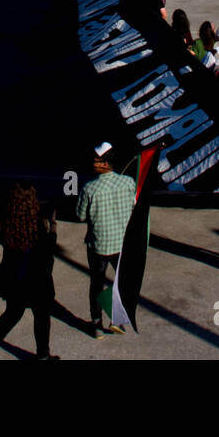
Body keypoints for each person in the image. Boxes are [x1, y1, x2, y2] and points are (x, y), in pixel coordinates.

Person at [0, 183, 59, 361]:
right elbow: (49, 248)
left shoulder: (5, 219)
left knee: (11, 314)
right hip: (37, 277)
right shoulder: (37, 222)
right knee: (42, 316)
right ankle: (43, 354)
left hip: (13, 275)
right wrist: (53, 226)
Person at [75, 143, 135, 338]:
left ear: (106, 163)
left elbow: (80, 215)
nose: (93, 163)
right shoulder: (128, 183)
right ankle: (117, 321)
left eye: (97, 160)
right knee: (121, 284)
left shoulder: (90, 188)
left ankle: (96, 324)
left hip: (99, 245)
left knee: (96, 285)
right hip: (122, 244)